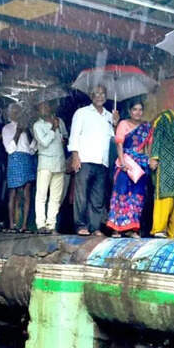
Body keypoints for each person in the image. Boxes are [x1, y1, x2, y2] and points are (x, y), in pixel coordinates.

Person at [68, 84, 119, 236]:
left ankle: (95, 227)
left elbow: (114, 138)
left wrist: (116, 124)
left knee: (97, 198)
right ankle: (81, 225)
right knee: (81, 195)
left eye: (103, 93)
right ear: (91, 96)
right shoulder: (82, 113)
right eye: (96, 93)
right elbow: (74, 135)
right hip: (84, 159)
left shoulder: (109, 116)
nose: (100, 96)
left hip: (102, 161)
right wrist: (75, 157)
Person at [106, 100, 153, 236]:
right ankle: (117, 228)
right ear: (130, 111)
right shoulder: (123, 124)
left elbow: (148, 148)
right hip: (125, 163)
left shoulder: (146, 127)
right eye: (135, 109)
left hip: (139, 166)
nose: (137, 112)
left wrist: (148, 161)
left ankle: (133, 228)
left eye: (140, 109)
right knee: (121, 194)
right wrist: (122, 162)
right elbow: (119, 144)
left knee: (137, 196)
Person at [149, 89, 174, 238]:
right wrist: (154, 157)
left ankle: (173, 232)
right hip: (166, 162)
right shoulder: (165, 118)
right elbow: (157, 137)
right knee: (165, 195)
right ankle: (159, 228)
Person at [32, 100, 68, 233]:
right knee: (41, 195)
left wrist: (62, 137)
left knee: (55, 197)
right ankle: (40, 224)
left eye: (47, 105)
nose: (45, 108)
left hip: (59, 162)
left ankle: (51, 225)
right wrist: (53, 128)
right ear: (38, 110)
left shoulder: (59, 121)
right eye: (42, 106)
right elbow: (44, 142)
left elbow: (64, 137)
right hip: (45, 164)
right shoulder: (37, 125)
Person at [2, 103, 37, 232]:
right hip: (15, 158)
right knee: (13, 192)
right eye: (14, 112)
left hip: (27, 158)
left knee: (27, 193)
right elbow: (9, 149)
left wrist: (26, 131)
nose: (17, 114)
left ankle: (24, 225)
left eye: (19, 112)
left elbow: (33, 148)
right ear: (9, 114)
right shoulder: (7, 128)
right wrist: (17, 133)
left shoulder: (28, 128)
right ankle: (12, 224)